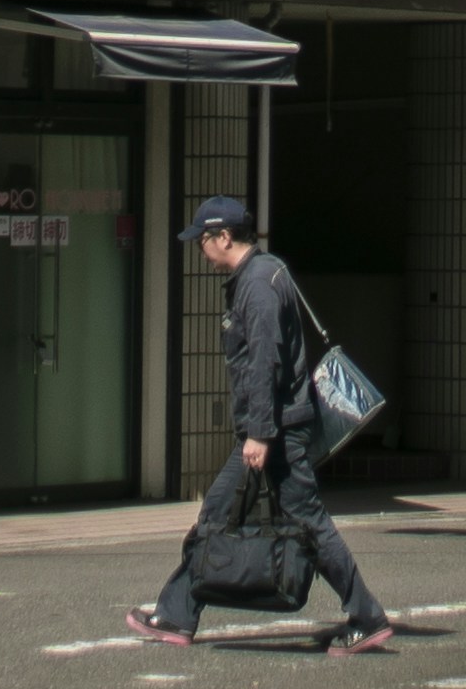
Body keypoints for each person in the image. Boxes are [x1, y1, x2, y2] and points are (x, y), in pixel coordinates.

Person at [129, 195, 393, 656]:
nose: (200, 251)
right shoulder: (263, 273)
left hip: (276, 432)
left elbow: (265, 362)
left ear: (224, 237)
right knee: (215, 514)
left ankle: (366, 617)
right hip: (273, 427)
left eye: (202, 241)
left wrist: (259, 432)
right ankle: (176, 613)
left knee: (307, 520)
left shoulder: (258, 284)